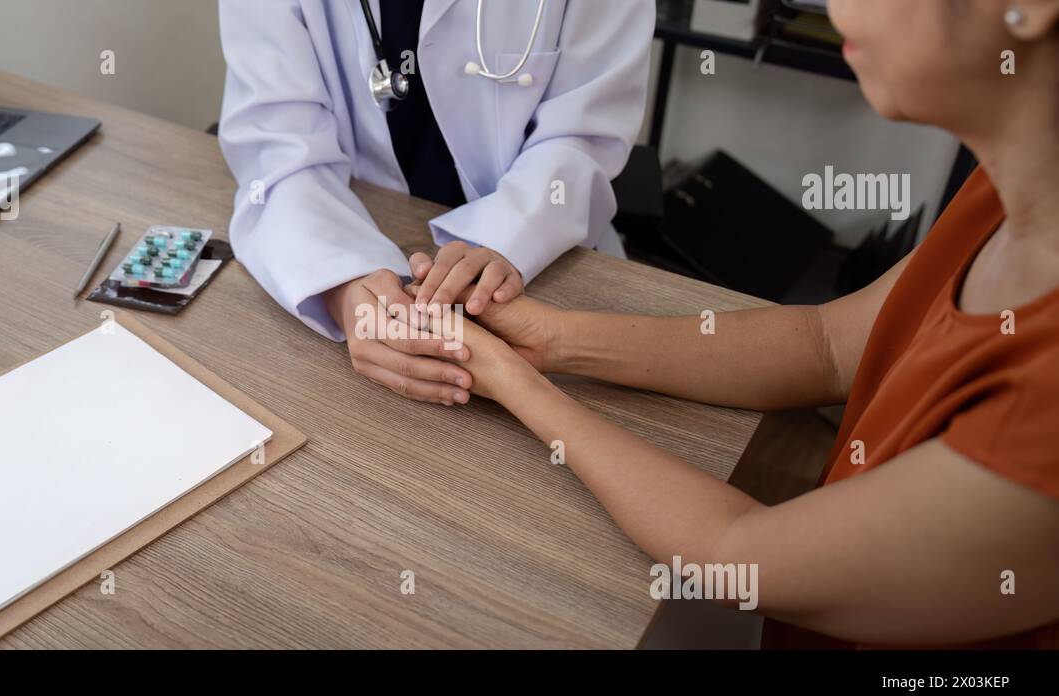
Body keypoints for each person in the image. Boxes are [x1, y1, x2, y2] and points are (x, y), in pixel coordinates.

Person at [422, 0, 1059, 648]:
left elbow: (737, 552)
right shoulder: (1007, 198)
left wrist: (513, 383)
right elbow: (829, 345)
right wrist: (554, 339)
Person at [218, 0, 653, 406]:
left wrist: (511, 235)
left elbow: (583, 133)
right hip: (367, 240)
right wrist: (340, 283)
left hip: (546, 259)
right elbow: (275, 143)